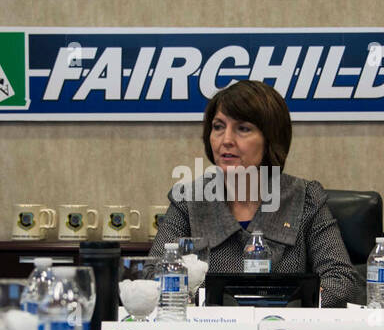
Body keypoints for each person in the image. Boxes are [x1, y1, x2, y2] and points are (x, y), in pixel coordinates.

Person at [148, 79, 361, 306]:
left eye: (243, 128)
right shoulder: (188, 200)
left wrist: (282, 309)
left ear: (271, 139)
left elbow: (341, 281)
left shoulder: (306, 198)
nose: (226, 140)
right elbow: (153, 275)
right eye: (218, 126)